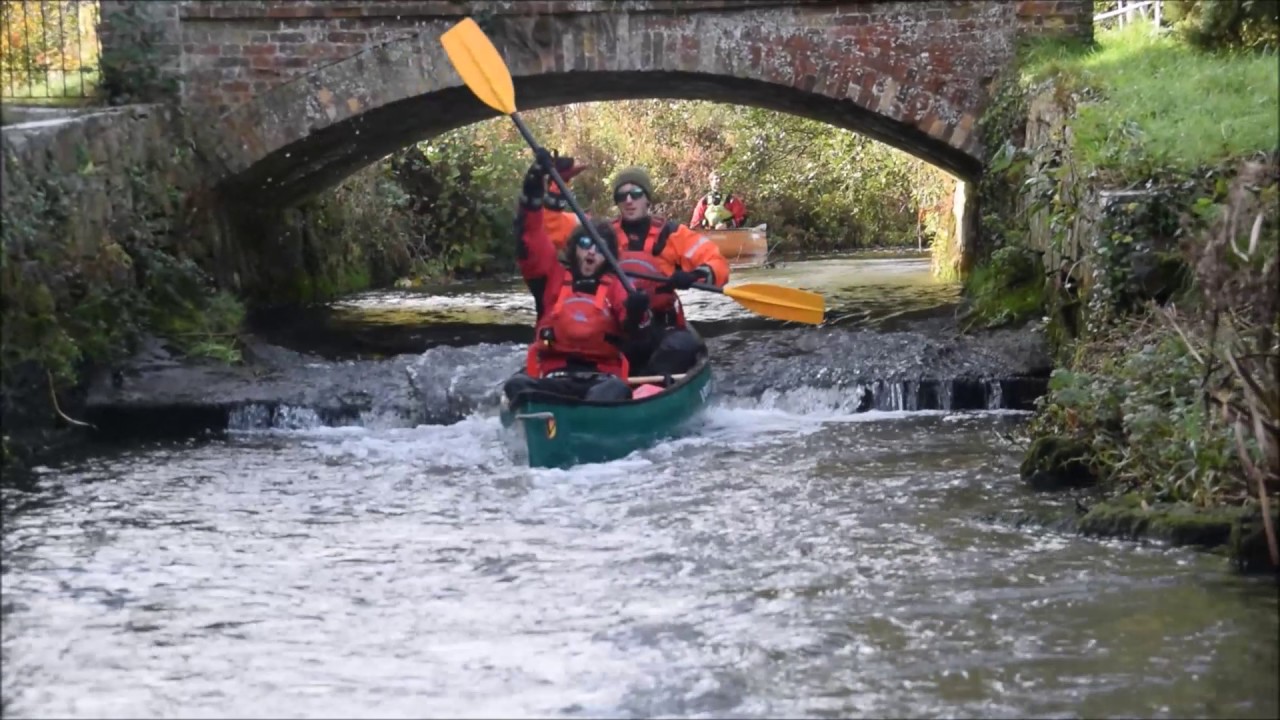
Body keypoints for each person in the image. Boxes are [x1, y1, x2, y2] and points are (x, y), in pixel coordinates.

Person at [503, 151, 651, 404]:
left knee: (613, 393)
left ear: (609, 256)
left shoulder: (618, 286)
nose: (591, 250)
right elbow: (529, 235)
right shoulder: (551, 279)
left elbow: (634, 328)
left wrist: (637, 313)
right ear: (574, 249)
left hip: (602, 383)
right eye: (585, 242)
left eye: (599, 246)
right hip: (554, 378)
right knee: (517, 385)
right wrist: (534, 182)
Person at [609, 166, 731, 376]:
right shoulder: (603, 236)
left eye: (636, 194)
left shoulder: (672, 234)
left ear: (647, 199)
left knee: (683, 346)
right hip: (619, 327)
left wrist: (695, 275)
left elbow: (716, 262)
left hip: (662, 328)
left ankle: (647, 383)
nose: (629, 200)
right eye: (622, 195)